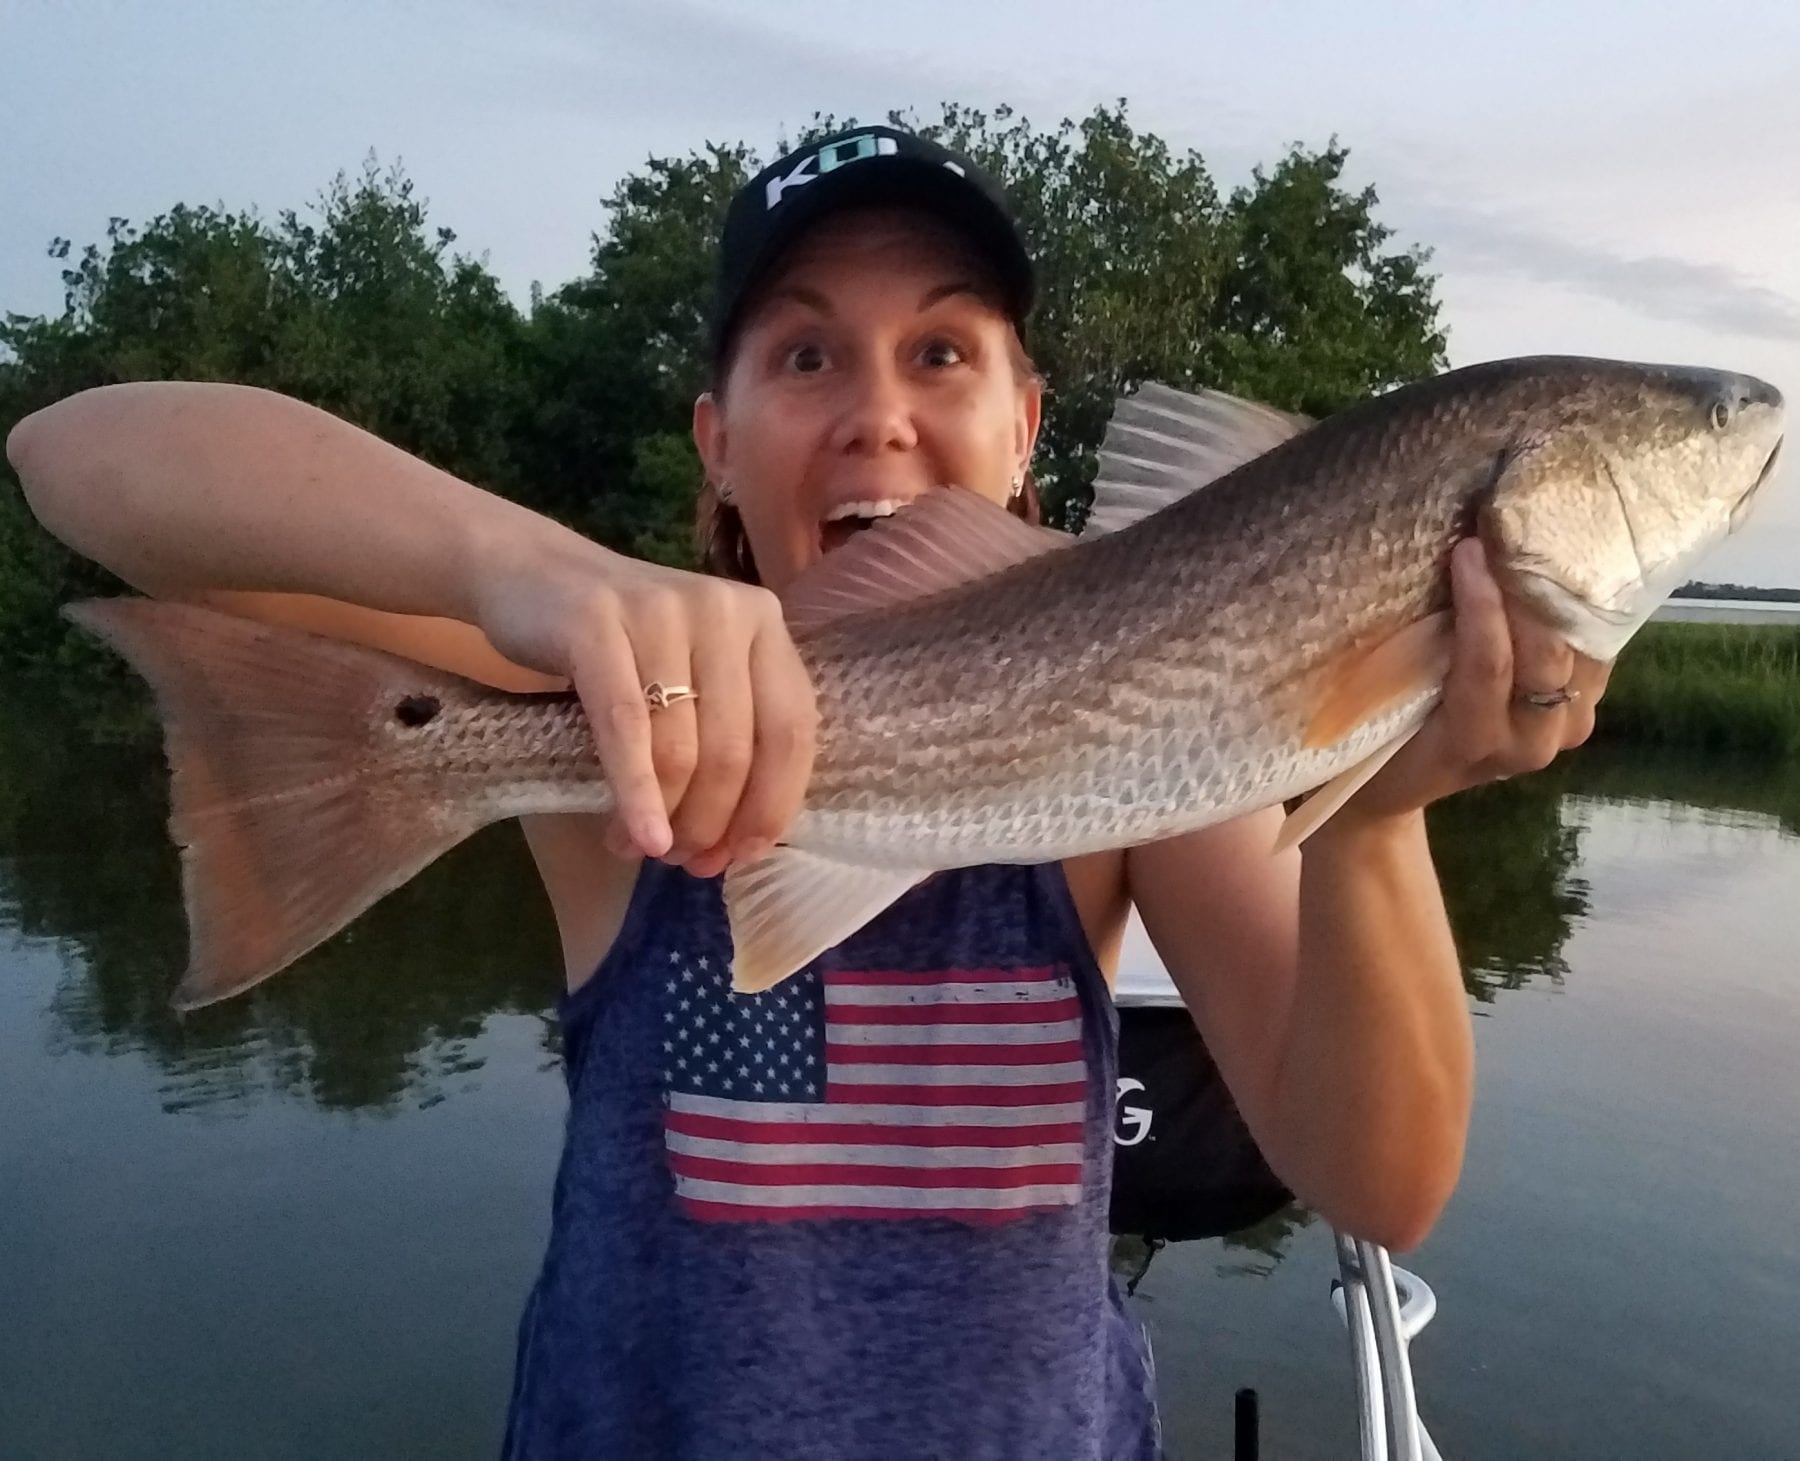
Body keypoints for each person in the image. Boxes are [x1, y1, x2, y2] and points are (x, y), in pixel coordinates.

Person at [7, 124, 1607, 1459]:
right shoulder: (612, 727)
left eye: (944, 350)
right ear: (716, 441)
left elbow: (1381, 1176)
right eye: (805, 352)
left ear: (1027, 428)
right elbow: (79, 457)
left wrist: (1380, 807)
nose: (880, 411)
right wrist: (537, 572)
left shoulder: (1158, 753)